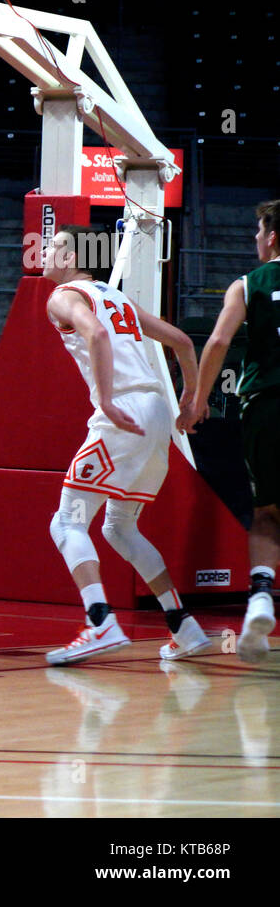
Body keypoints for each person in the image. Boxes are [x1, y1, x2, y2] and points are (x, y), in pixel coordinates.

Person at [42, 224, 210, 664]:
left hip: (124, 412)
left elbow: (96, 335)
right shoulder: (117, 298)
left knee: (67, 521)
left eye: (54, 246)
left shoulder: (62, 297)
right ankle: (184, 627)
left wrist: (107, 401)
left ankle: (100, 623)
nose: (44, 252)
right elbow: (182, 342)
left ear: (72, 257)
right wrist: (191, 399)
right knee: (119, 527)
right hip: (157, 413)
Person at [191, 200, 280, 663]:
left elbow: (219, 341)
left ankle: (261, 597)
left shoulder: (247, 284)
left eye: (258, 231)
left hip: (267, 405)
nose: (255, 239)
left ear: (272, 236)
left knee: (266, 512)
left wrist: (197, 399)